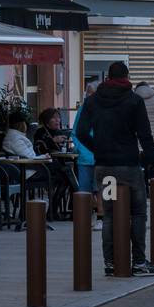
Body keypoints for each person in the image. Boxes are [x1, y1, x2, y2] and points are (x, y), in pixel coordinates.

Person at [75, 61, 154, 276]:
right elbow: (145, 135)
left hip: (105, 167)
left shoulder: (92, 101)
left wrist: (98, 149)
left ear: (108, 77)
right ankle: (139, 262)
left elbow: (81, 132)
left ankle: (110, 262)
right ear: (126, 76)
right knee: (138, 212)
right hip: (129, 167)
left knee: (109, 214)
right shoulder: (134, 101)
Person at [71, 82, 103, 230]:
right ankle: (91, 214)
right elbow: (75, 132)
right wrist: (82, 150)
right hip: (85, 158)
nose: (89, 95)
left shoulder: (106, 108)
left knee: (105, 188)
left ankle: (103, 217)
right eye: (87, 93)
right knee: (85, 189)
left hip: (104, 157)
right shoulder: (83, 109)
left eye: (92, 92)